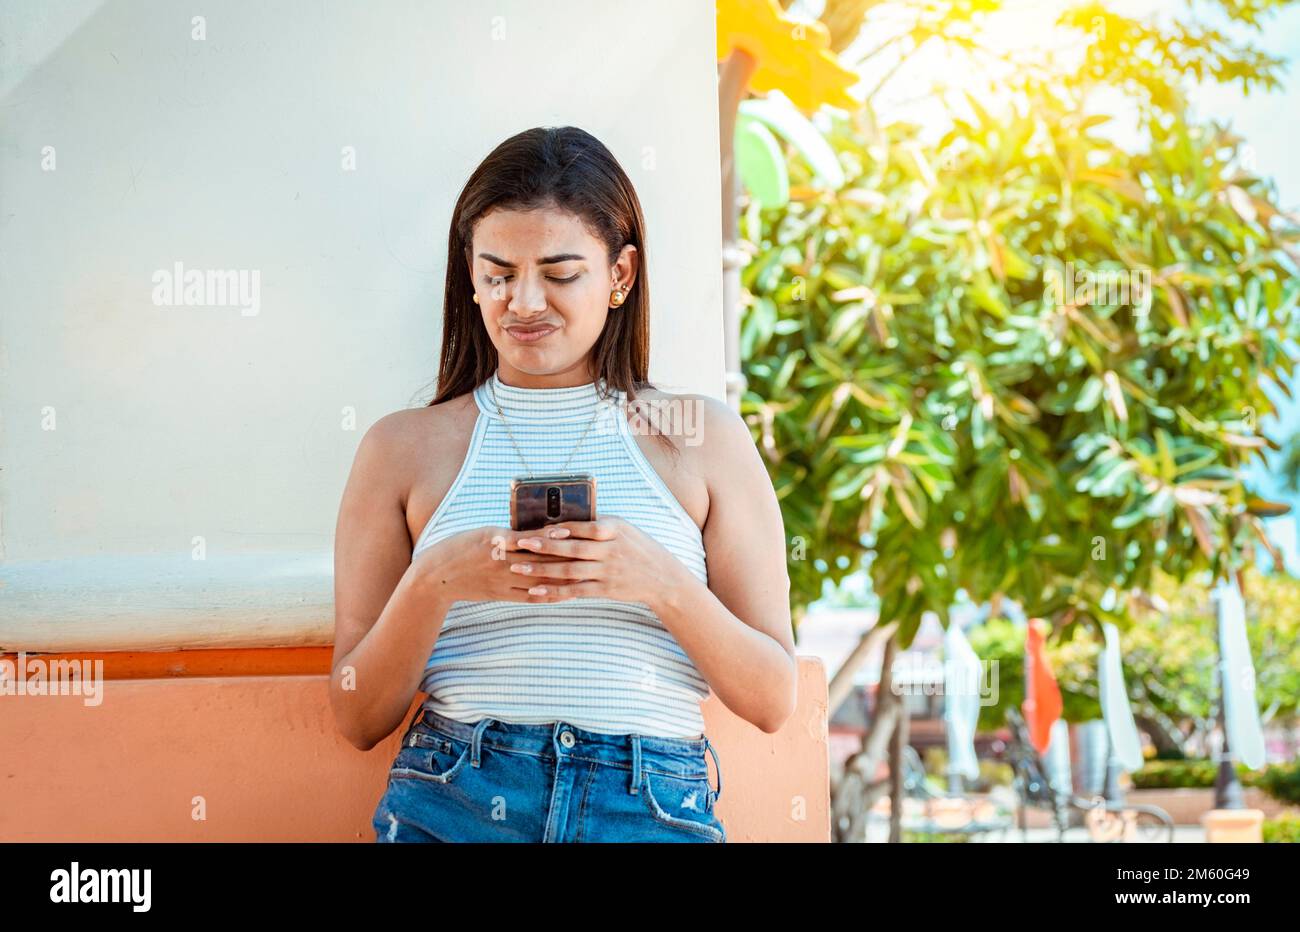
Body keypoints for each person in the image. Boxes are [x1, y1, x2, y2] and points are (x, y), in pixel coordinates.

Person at [330, 126, 794, 842]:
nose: (523, 301)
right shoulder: (401, 449)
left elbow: (771, 698)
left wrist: (659, 582)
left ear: (621, 275)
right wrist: (438, 581)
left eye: (559, 272)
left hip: (648, 804)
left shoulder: (704, 439)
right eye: (498, 273)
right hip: (456, 793)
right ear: (470, 275)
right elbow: (358, 717)